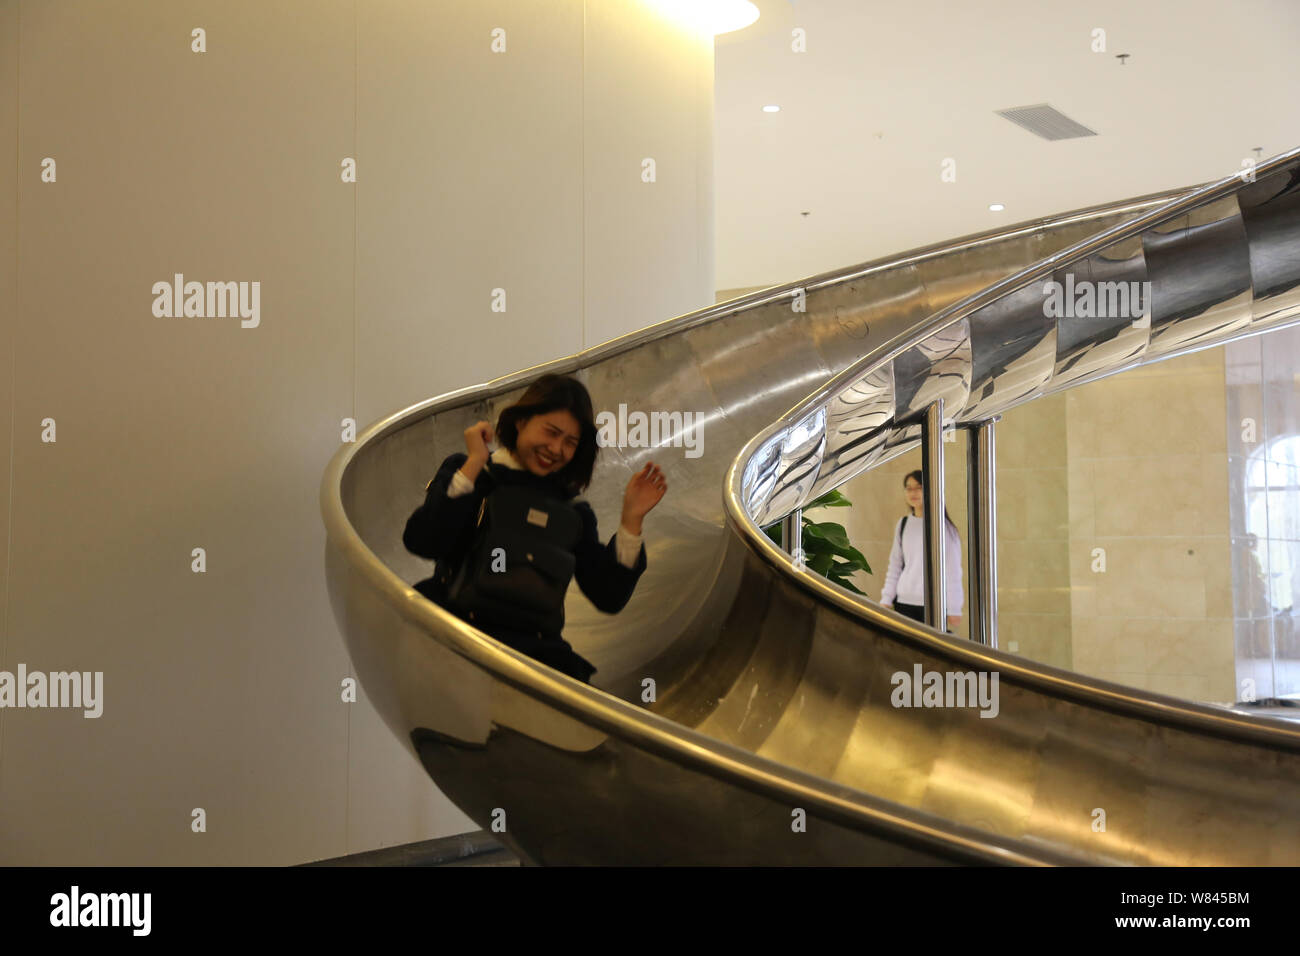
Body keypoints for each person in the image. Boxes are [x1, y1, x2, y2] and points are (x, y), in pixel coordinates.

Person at [403, 373, 667, 683]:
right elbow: (424, 541)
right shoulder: (475, 473)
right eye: (551, 432)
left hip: (534, 657)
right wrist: (475, 462)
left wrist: (631, 521)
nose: (556, 449)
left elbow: (608, 596)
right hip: (458, 635)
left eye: (570, 442)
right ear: (521, 422)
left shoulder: (574, 514)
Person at [880, 469, 963, 632]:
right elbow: (895, 565)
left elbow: (953, 569)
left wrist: (954, 607)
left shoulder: (944, 527)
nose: (913, 492)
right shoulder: (903, 524)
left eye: (918, 487)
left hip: (933, 603)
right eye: (909, 488)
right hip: (904, 602)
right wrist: (886, 598)